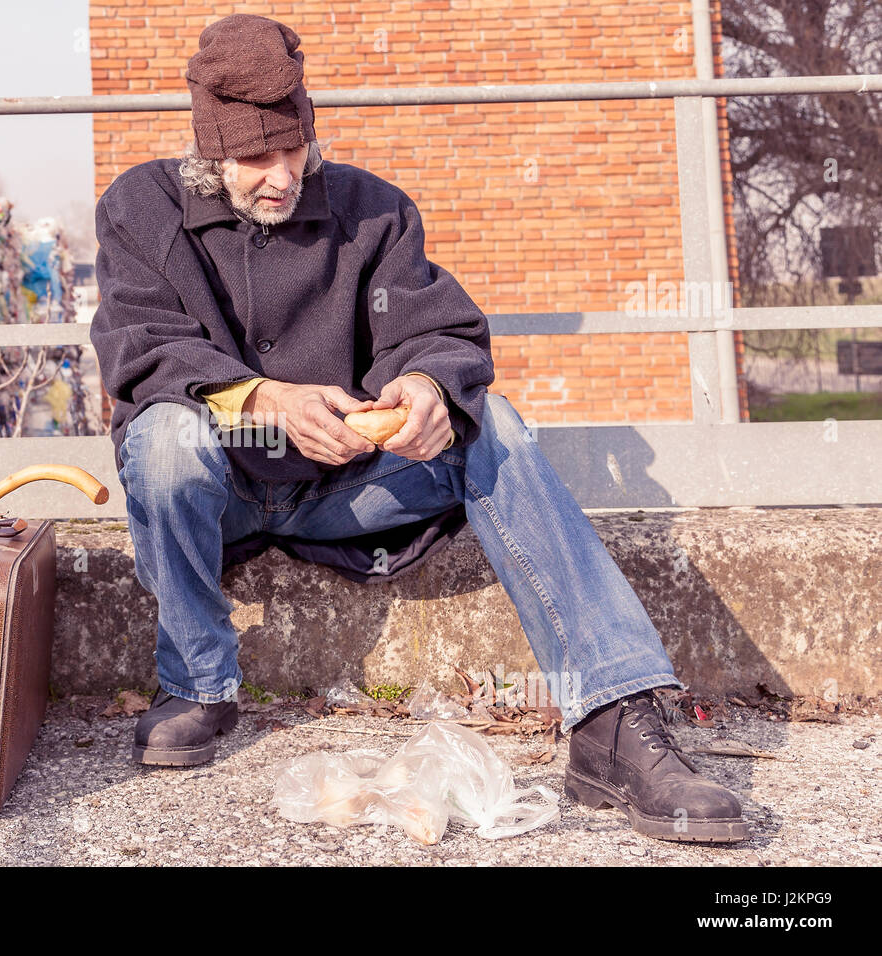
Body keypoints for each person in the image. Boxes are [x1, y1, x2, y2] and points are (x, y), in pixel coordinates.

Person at [89, 13, 750, 843]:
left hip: (342, 495)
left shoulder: (375, 210)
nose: (282, 175)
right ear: (208, 151)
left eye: (294, 150)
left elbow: (438, 332)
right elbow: (141, 348)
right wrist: (260, 399)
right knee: (163, 439)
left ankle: (612, 722)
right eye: (255, 159)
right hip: (217, 488)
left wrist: (426, 382)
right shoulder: (139, 208)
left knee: (494, 423)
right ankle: (198, 686)